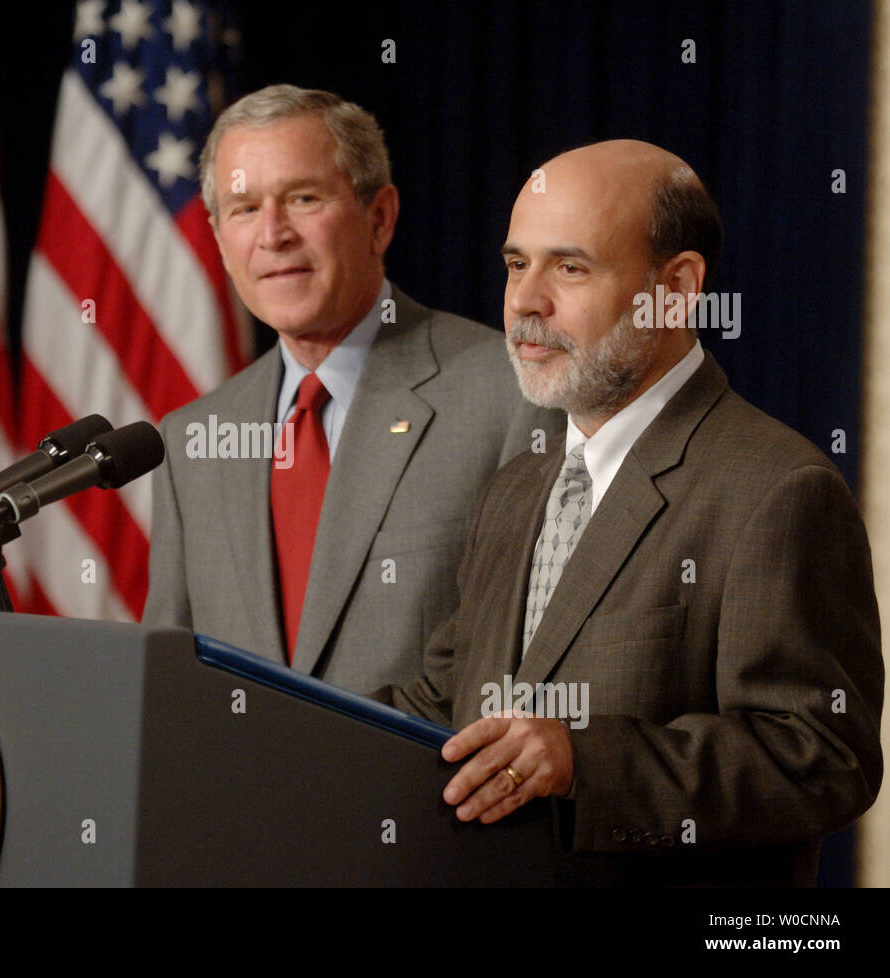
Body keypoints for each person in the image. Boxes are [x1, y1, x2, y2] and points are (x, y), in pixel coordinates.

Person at [381, 139, 883, 885]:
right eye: (517, 264)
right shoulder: (516, 488)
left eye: (570, 266)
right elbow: (447, 699)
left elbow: (823, 757)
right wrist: (272, 721)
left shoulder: (779, 488)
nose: (525, 302)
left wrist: (586, 761)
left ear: (676, 288)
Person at [143, 85, 559, 692]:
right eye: (243, 208)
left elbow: (528, 657)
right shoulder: (188, 439)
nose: (272, 234)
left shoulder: (509, 393)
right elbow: (171, 684)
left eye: (303, 198)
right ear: (217, 236)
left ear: (380, 218)